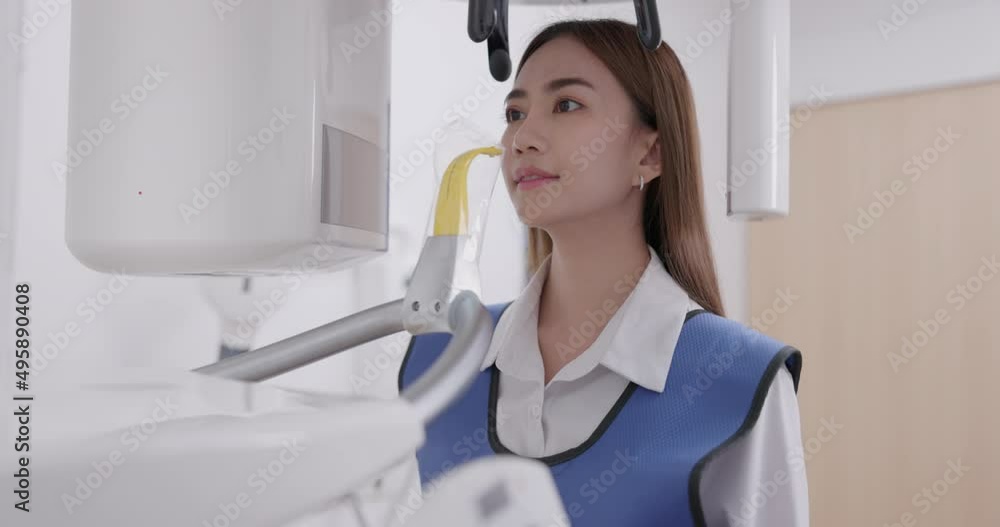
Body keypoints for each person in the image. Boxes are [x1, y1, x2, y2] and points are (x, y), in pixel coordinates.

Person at [399, 18, 808, 526]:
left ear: (652, 151)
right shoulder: (437, 363)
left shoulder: (739, 381)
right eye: (514, 112)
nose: (522, 137)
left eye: (566, 104)